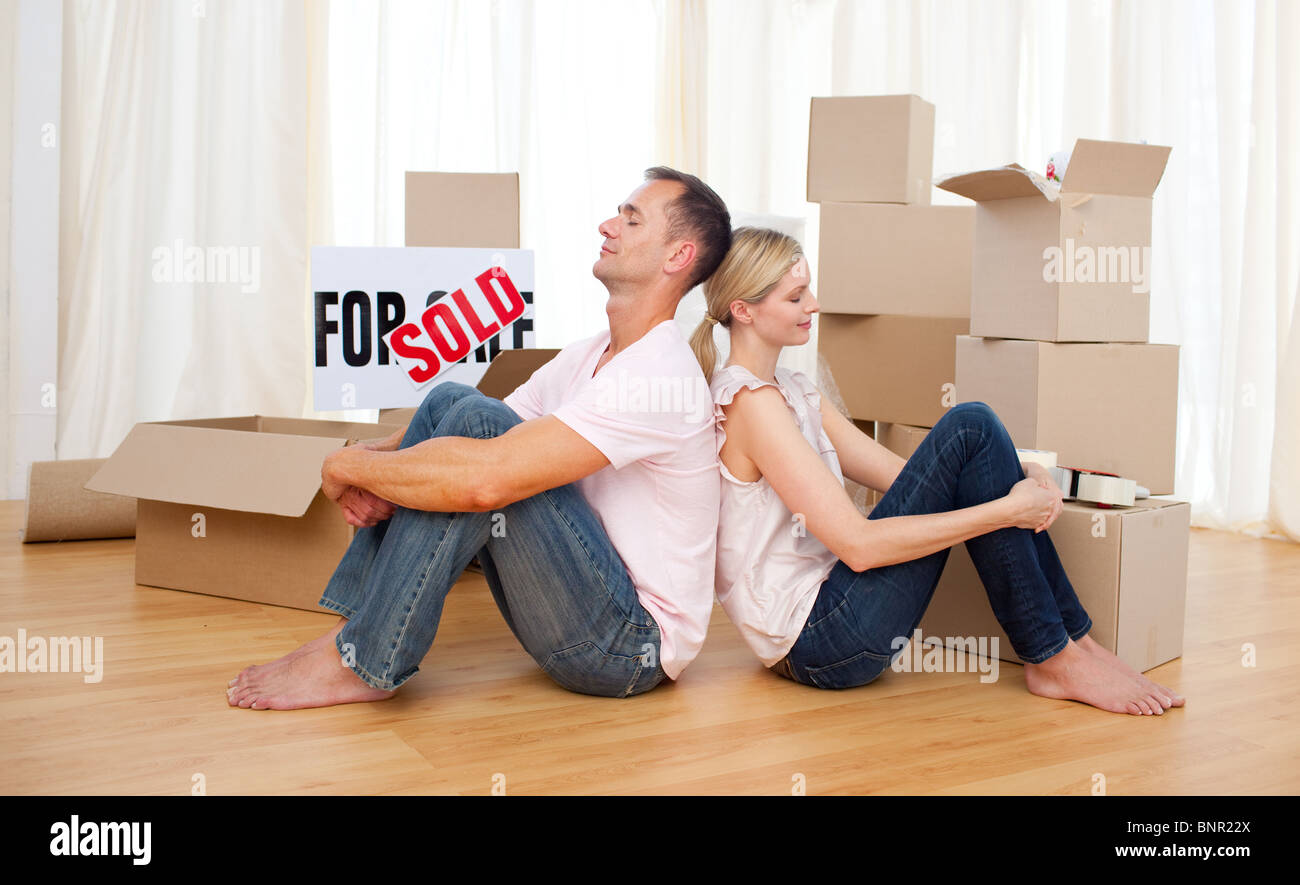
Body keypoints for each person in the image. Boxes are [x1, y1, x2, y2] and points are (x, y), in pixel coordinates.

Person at [226, 167, 732, 710]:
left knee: (478, 435)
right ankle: (360, 633)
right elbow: (476, 419)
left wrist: (344, 468)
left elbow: (485, 479)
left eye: (631, 220)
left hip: (626, 647)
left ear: (676, 257)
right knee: (452, 401)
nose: (608, 225)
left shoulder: (658, 376)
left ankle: (367, 660)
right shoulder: (592, 354)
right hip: (583, 599)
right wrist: (369, 454)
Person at [692, 227, 1185, 716]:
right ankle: (1054, 656)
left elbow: (912, 478)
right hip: (823, 641)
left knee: (974, 430)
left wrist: (1023, 469)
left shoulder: (792, 389)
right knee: (970, 425)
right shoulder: (749, 404)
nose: (814, 305)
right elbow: (859, 548)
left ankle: (1072, 643)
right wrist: (1005, 511)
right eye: (796, 297)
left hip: (838, 606)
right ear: (744, 310)